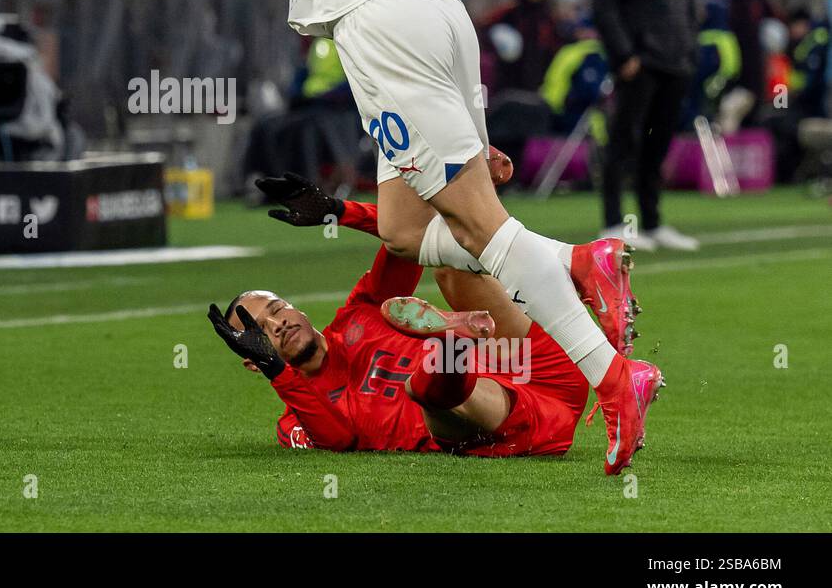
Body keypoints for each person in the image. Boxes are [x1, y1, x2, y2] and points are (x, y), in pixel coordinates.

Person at [32, 0, 645, 474]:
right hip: (444, 16)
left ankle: (606, 346)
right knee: (401, 228)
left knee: (483, 229)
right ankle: (576, 275)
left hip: (377, 25)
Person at [210, 175, 662, 459]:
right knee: (425, 390)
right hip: (512, 423)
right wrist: (278, 372)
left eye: (276, 309)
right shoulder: (297, 420)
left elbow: (410, 238)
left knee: (446, 256)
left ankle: (464, 166)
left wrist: (340, 211)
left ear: (296, 307)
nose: (277, 323)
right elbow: (339, 439)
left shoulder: (357, 315)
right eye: (260, 331)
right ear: (251, 357)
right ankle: (457, 340)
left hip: (541, 363)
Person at [593, 0, 699, 251]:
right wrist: (625, 54)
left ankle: (652, 223)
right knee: (623, 142)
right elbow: (605, 7)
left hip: (676, 60)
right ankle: (611, 222)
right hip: (639, 62)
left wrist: (691, 45)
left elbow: (686, 1)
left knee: (658, 146)